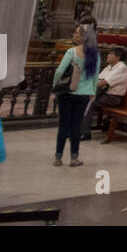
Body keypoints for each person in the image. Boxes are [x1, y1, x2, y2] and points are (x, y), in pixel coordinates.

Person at [53, 24, 99, 166]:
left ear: (84, 37)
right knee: (76, 126)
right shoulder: (95, 55)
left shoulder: (71, 52)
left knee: (63, 126)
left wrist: (56, 87)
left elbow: (59, 71)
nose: (74, 35)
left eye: (77, 33)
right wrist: (93, 93)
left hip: (68, 92)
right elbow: (95, 76)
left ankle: (58, 158)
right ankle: (74, 158)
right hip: (84, 94)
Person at [85, 49, 127, 135]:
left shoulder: (121, 67)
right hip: (103, 94)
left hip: (113, 98)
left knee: (88, 102)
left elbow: (103, 83)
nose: (108, 55)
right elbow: (98, 80)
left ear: (118, 57)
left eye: (111, 54)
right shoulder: (109, 66)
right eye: (109, 54)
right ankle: (78, 128)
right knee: (80, 99)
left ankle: (85, 132)